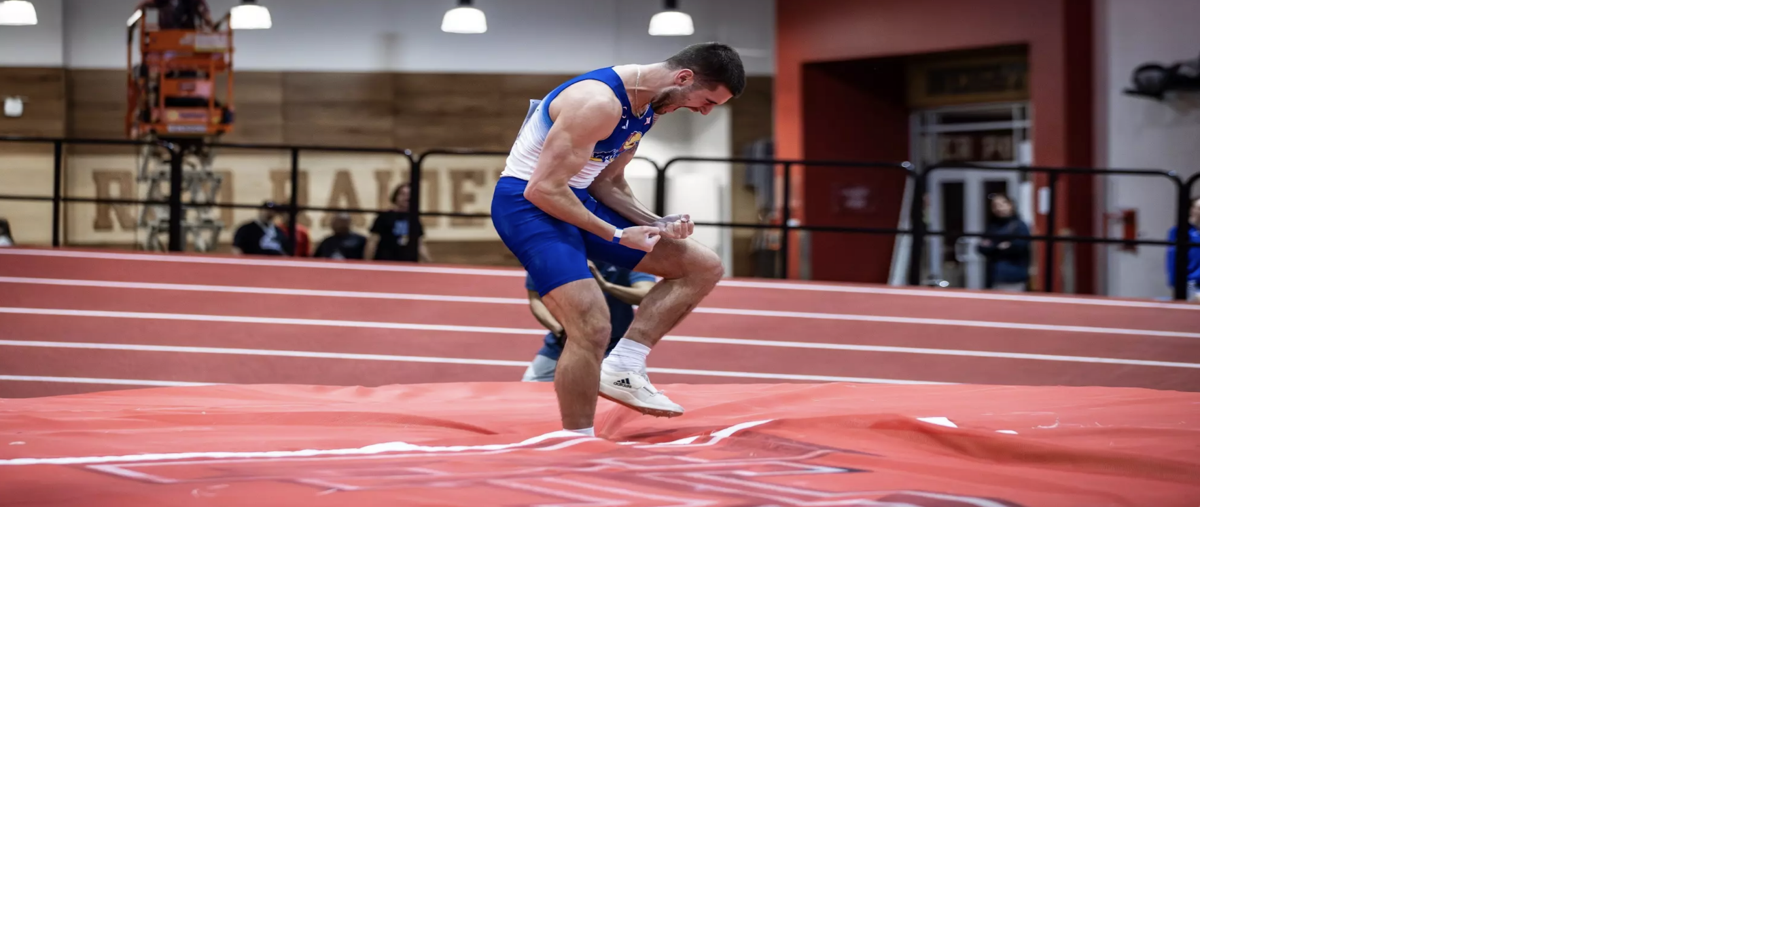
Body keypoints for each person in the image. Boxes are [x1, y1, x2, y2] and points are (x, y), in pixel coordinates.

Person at [491, 42, 744, 436]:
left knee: (702, 266)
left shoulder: (649, 108)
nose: (705, 112)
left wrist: (657, 222)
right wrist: (617, 233)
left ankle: (624, 365)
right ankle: (577, 439)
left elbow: (608, 183)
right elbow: (542, 189)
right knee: (592, 324)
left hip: (576, 197)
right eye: (708, 101)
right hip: (528, 206)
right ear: (683, 78)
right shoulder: (597, 103)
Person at [523, 261, 657, 382]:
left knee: (632, 396)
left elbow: (648, 294)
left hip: (616, 346)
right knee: (529, 387)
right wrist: (559, 330)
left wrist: (606, 286)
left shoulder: (628, 253)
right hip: (564, 343)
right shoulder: (547, 254)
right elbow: (536, 299)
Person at [977, 193, 1031, 291]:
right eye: (995, 206)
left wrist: (995, 246)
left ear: (1010, 205)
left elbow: (1019, 246)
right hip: (993, 276)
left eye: (1002, 204)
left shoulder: (1019, 226)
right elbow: (982, 247)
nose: (999, 208)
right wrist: (998, 246)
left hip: (1013, 277)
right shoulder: (993, 226)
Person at [368, 182, 432, 263]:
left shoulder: (414, 219)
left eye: (409, 195)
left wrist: (430, 263)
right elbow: (373, 241)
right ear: (396, 197)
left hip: (407, 263)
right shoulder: (384, 217)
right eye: (403, 194)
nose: (407, 198)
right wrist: (367, 263)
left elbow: (419, 244)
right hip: (386, 262)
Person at [1169, 197, 1199, 301]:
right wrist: (1176, 285)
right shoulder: (1180, 231)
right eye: (1198, 208)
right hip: (1191, 284)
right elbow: (1172, 260)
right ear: (1192, 210)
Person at [134, 0, 217, 31]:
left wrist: (209, 22)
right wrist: (140, 6)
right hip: (167, 37)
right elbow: (149, 3)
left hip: (186, 38)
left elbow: (204, 11)